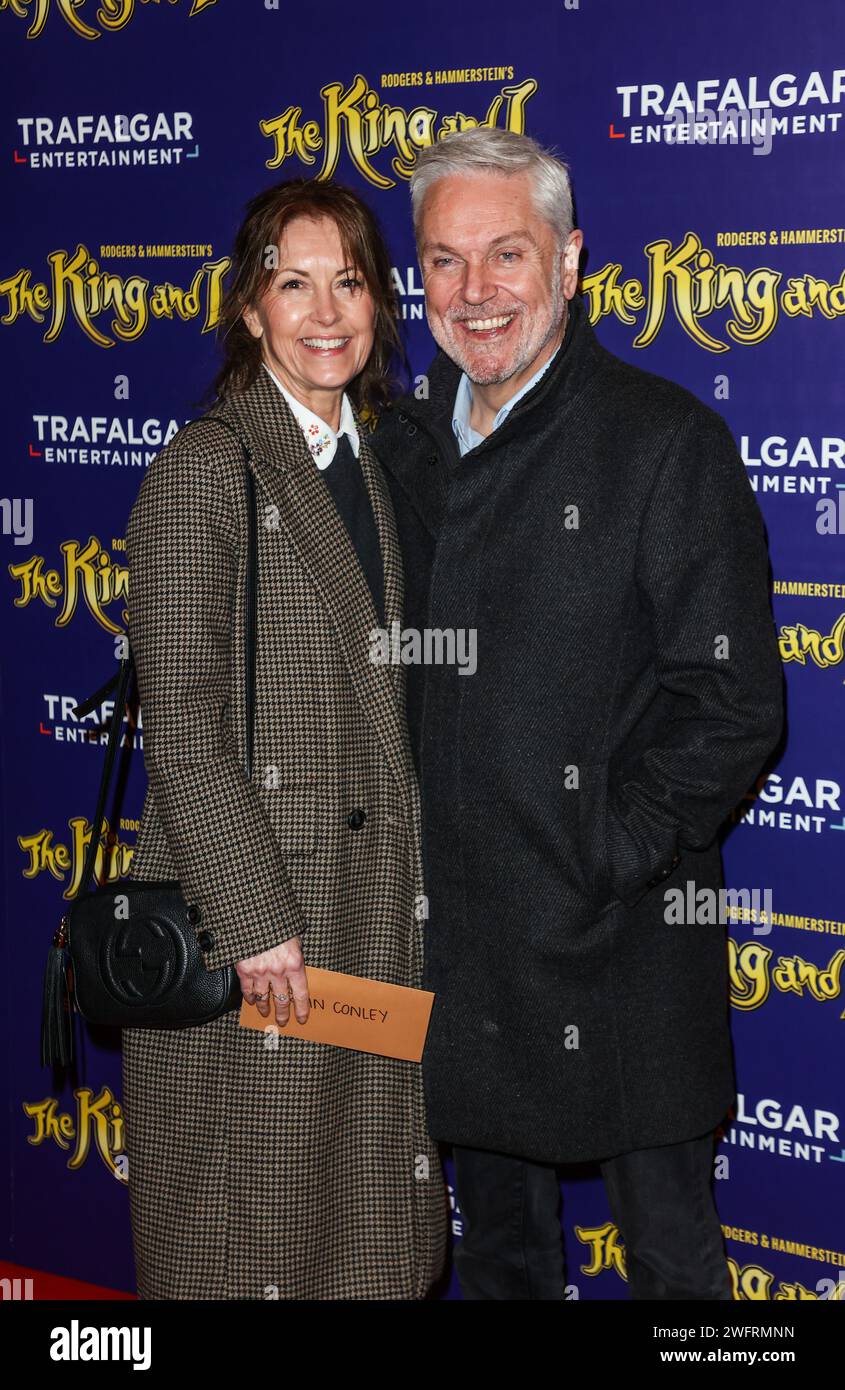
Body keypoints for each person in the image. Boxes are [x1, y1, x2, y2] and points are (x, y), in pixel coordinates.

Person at [372, 128, 784, 1300]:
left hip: (619, 955)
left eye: (507, 255)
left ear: (569, 263)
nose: (474, 292)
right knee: (500, 1264)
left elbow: (730, 701)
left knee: (673, 1271)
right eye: (444, 262)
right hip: (455, 961)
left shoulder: (660, 441)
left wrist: (601, 849)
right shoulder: (396, 447)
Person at [122, 178, 447, 1300]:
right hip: (262, 929)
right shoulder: (206, 468)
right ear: (249, 308)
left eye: (347, 281)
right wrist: (258, 924)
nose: (324, 311)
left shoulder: (394, 458)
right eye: (291, 282)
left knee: (360, 1237)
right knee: (254, 1236)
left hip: (371, 912)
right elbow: (185, 722)